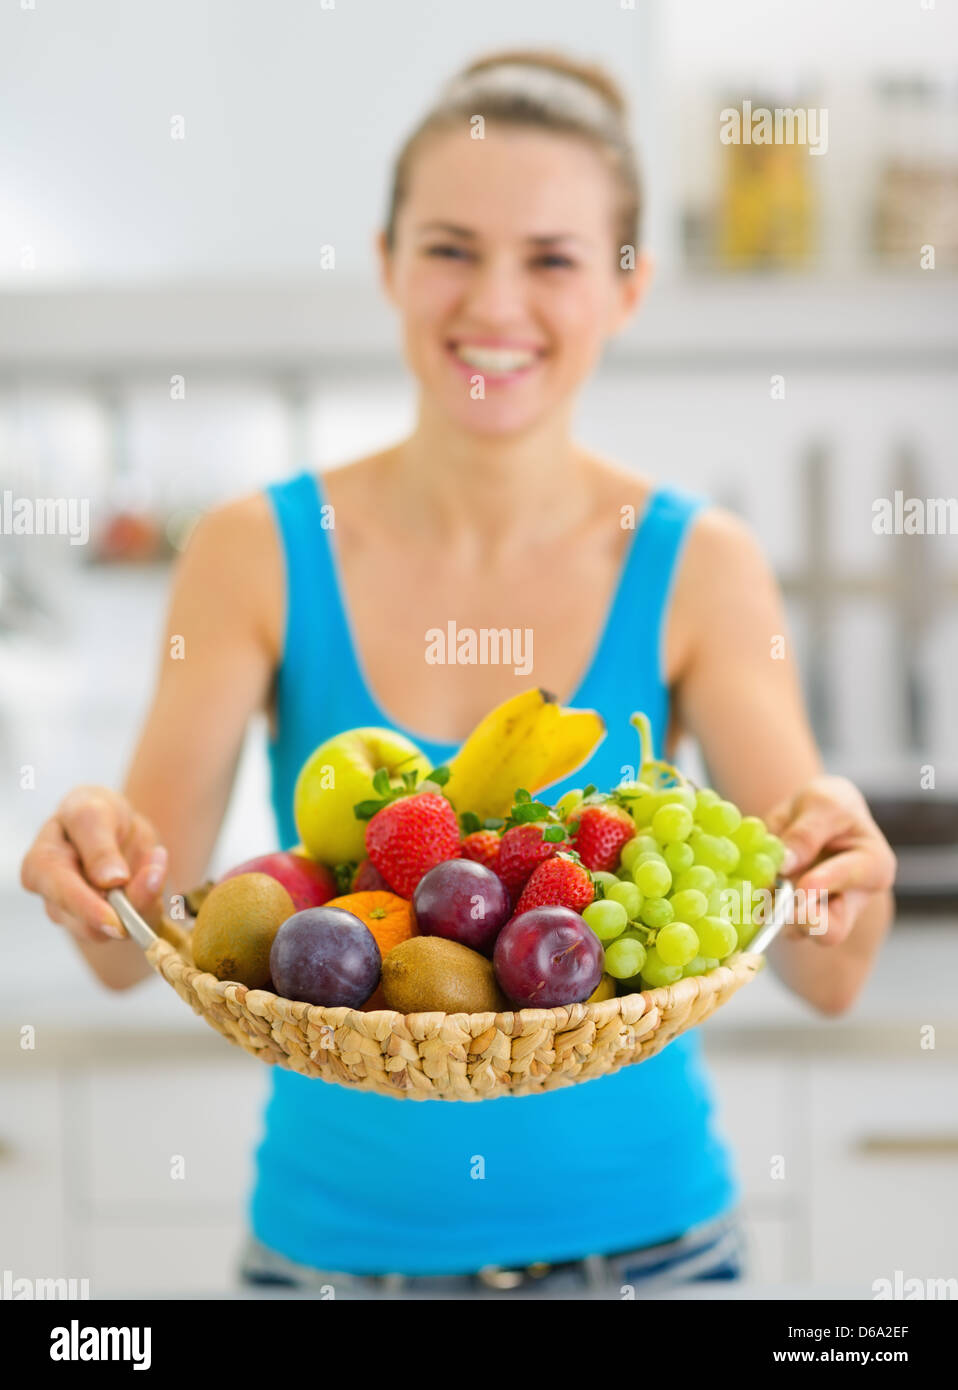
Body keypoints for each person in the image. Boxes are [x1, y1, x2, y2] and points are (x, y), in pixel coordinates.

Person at [20, 51, 896, 1298]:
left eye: (551, 257)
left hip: (649, 1260)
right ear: (384, 262)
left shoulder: (700, 564)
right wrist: (93, 859)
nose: (495, 300)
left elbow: (824, 970)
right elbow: (132, 949)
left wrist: (836, 869)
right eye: (448, 246)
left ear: (626, 286)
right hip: (329, 1262)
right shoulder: (254, 552)